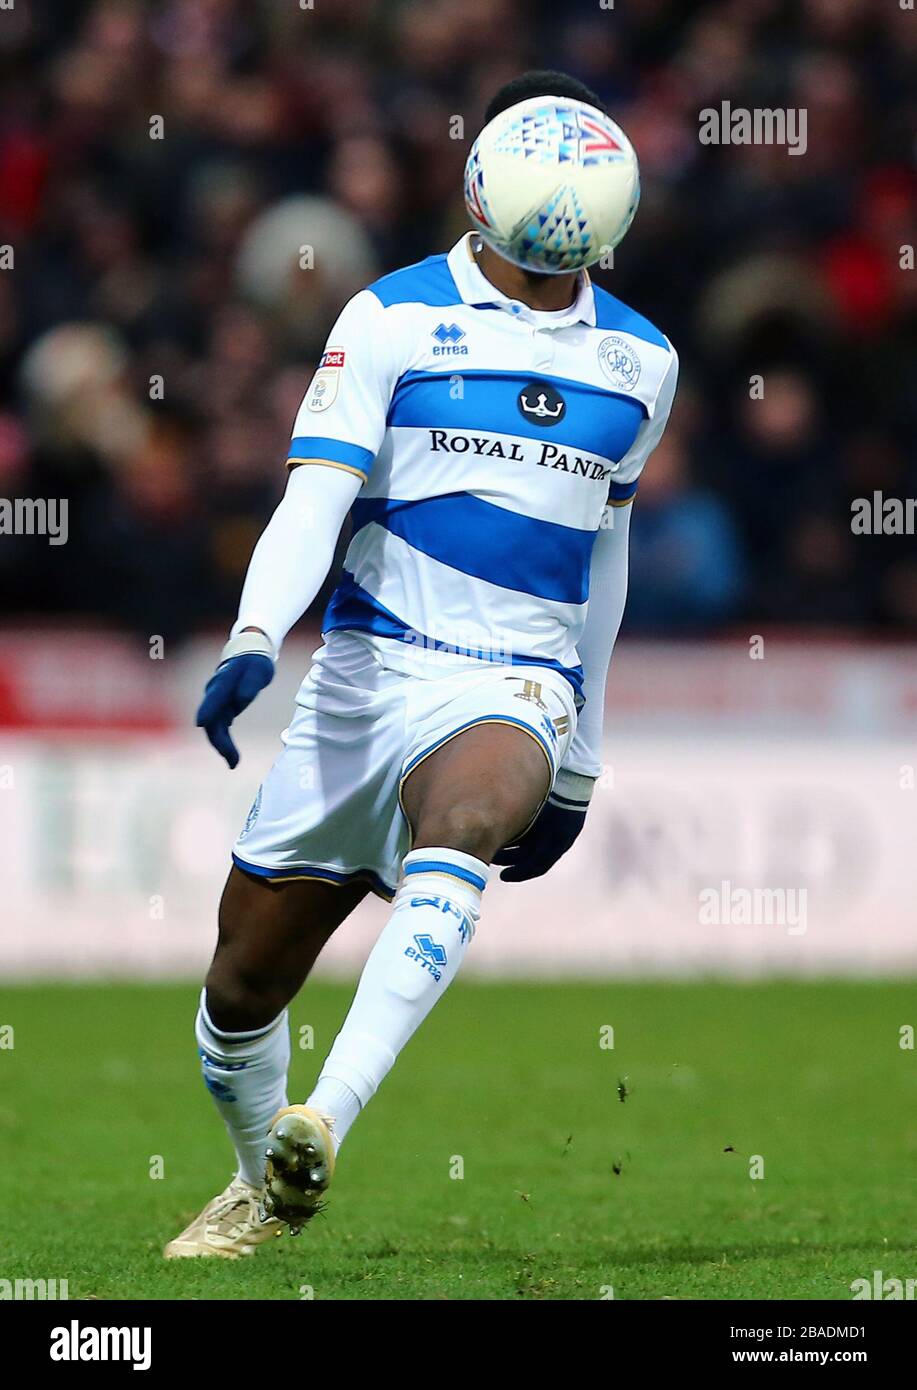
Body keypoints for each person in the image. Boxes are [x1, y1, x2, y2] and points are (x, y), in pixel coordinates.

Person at [164, 70, 678, 1259]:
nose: (553, 280)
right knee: (240, 992)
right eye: (532, 256)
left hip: (512, 679)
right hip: (365, 671)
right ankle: (264, 1185)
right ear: (483, 201)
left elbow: (607, 558)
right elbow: (314, 498)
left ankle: (324, 1118)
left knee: (469, 821)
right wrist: (255, 635)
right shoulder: (388, 317)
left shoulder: (640, 362)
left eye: (573, 261)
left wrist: (581, 749)